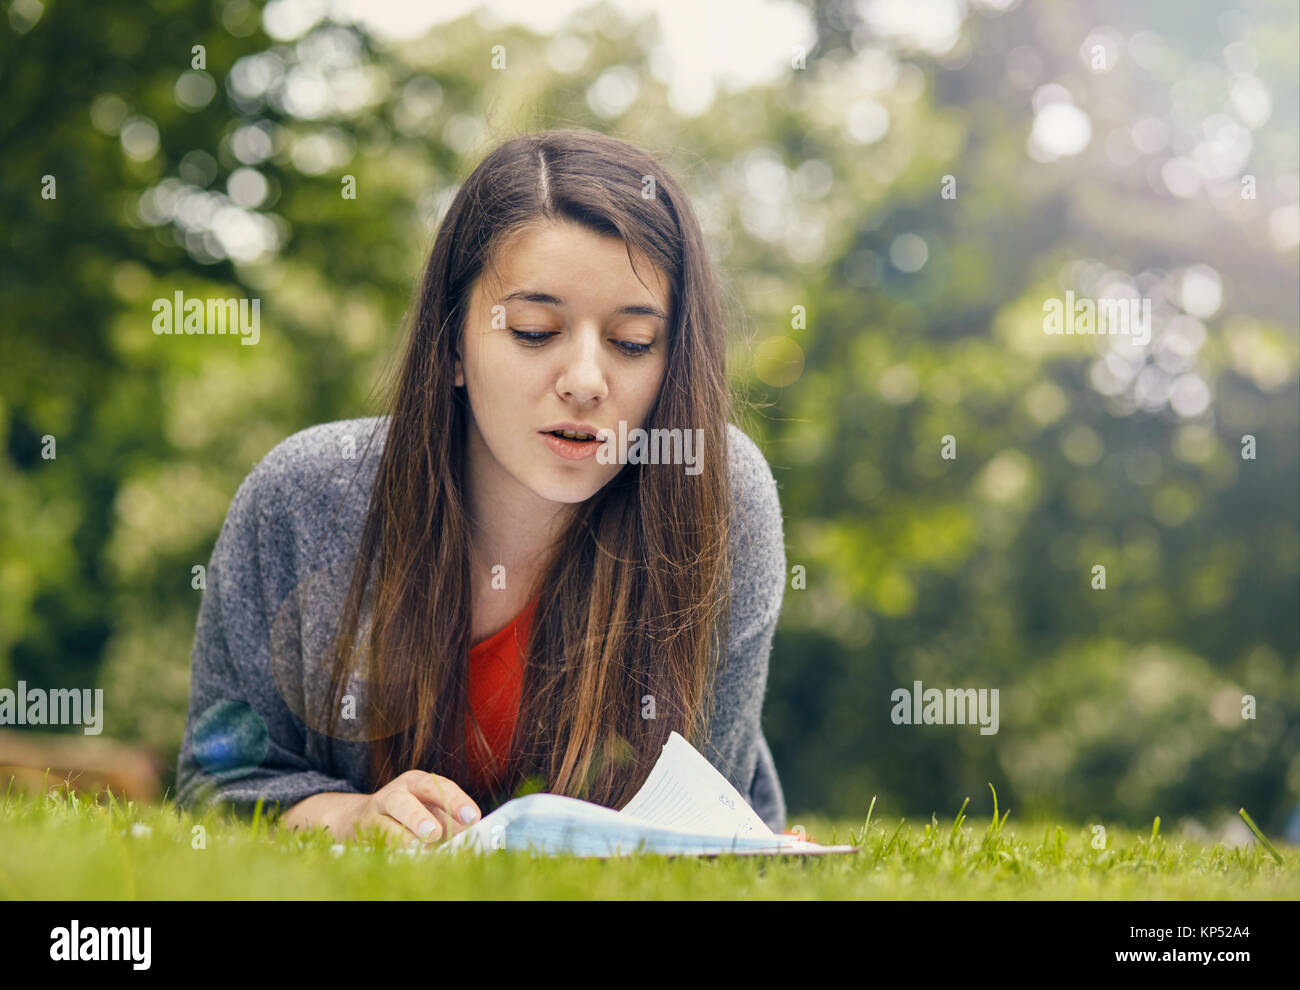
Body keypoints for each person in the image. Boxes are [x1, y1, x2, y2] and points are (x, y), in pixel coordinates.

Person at [175, 127, 788, 849]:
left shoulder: (719, 498)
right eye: (533, 330)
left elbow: (705, 821)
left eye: (631, 343)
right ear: (451, 347)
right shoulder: (298, 502)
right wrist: (354, 817)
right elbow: (220, 785)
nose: (586, 383)